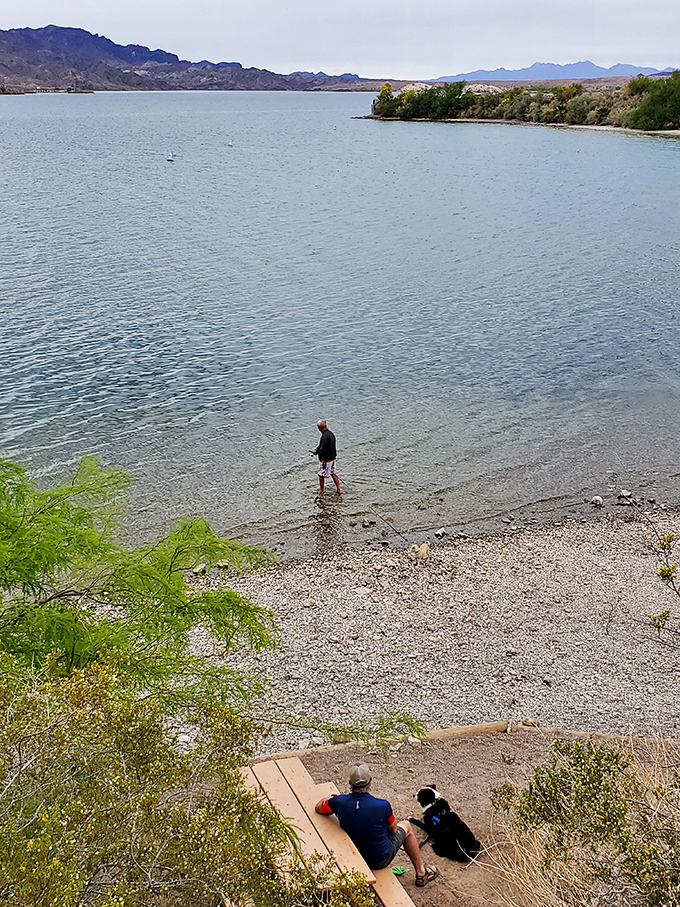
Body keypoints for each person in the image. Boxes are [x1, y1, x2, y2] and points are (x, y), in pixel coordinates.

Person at [314, 762, 439, 887]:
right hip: (378, 859)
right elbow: (394, 830)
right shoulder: (382, 805)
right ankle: (421, 874)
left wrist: (331, 798)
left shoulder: (339, 801)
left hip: (352, 853)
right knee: (406, 825)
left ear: (349, 782)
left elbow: (318, 807)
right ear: (370, 781)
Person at [312, 419, 341, 495]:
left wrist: (317, 452)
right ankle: (338, 489)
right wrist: (317, 449)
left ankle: (321, 490)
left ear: (319, 427)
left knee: (321, 474)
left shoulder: (324, 436)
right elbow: (321, 446)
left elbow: (323, 449)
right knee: (333, 472)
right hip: (333, 457)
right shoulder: (330, 434)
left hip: (327, 459)